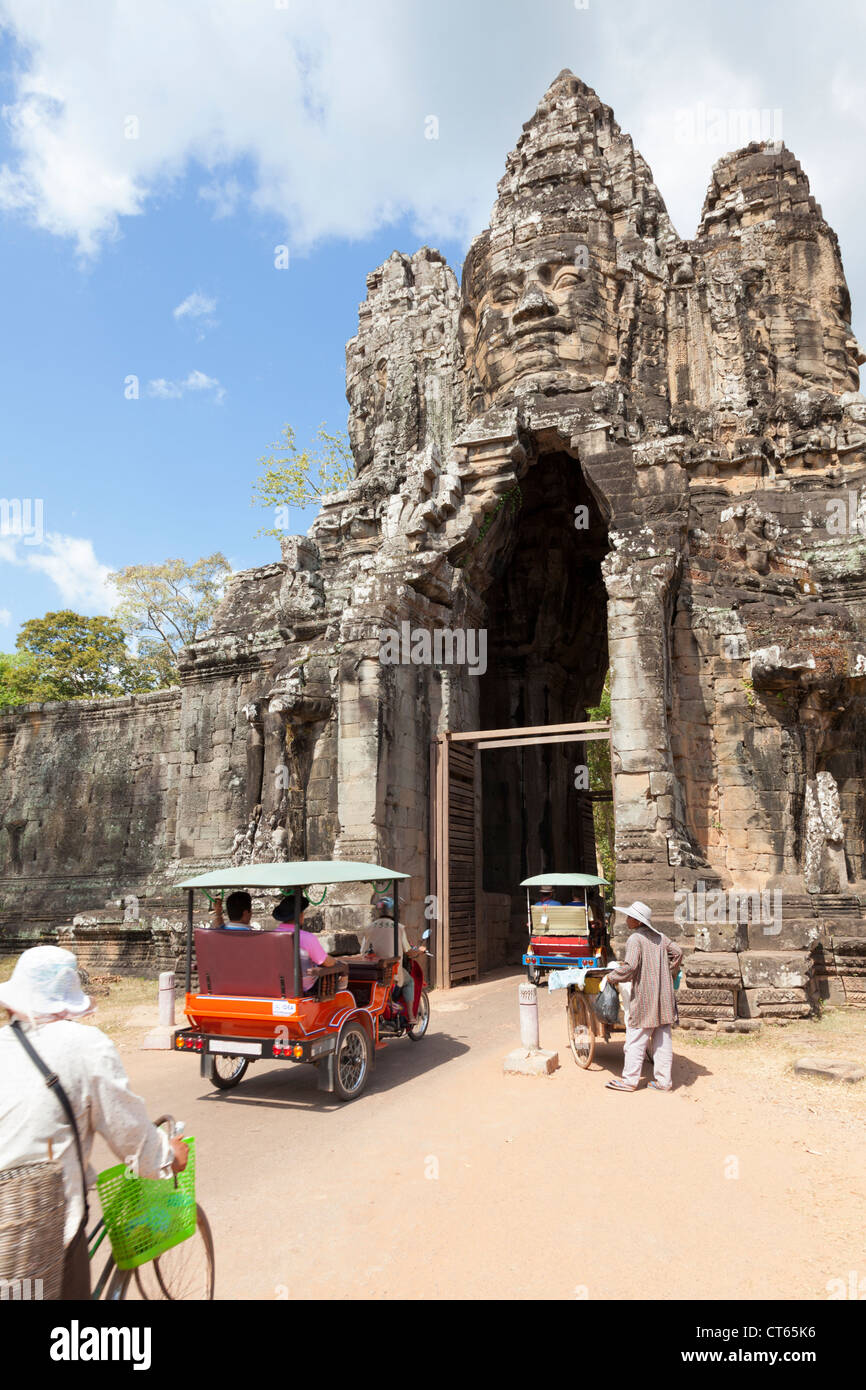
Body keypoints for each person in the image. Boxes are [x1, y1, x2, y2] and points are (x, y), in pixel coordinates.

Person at [0, 946, 188, 1299]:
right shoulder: (84, 1045)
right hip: (35, 1225)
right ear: (68, 999)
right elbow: (129, 1134)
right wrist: (168, 1156)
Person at [603, 901, 683, 1093]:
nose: (627, 919)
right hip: (664, 995)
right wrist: (668, 972)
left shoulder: (635, 939)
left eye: (629, 917)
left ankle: (629, 1081)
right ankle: (664, 1082)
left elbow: (630, 967)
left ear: (637, 921)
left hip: (645, 996)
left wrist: (611, 977)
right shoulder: (661, 938)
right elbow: (678, 952)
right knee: (662, 1040)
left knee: (636, 1037)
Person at [361, 893, 425, 1024]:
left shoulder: (369, 928)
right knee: (410, 981)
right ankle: (412, 1017)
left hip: (372, 971)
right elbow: (408, 952)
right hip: (391, 972)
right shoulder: (399, 928)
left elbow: (363, 950)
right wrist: (419, 951)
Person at [269, 897, 345, 993]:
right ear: (301, 915)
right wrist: (340, 964)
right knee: (340, 968)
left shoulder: (270, 935)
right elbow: (327, 962)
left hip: (278, 986)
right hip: (305, 988)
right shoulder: (307, 938)